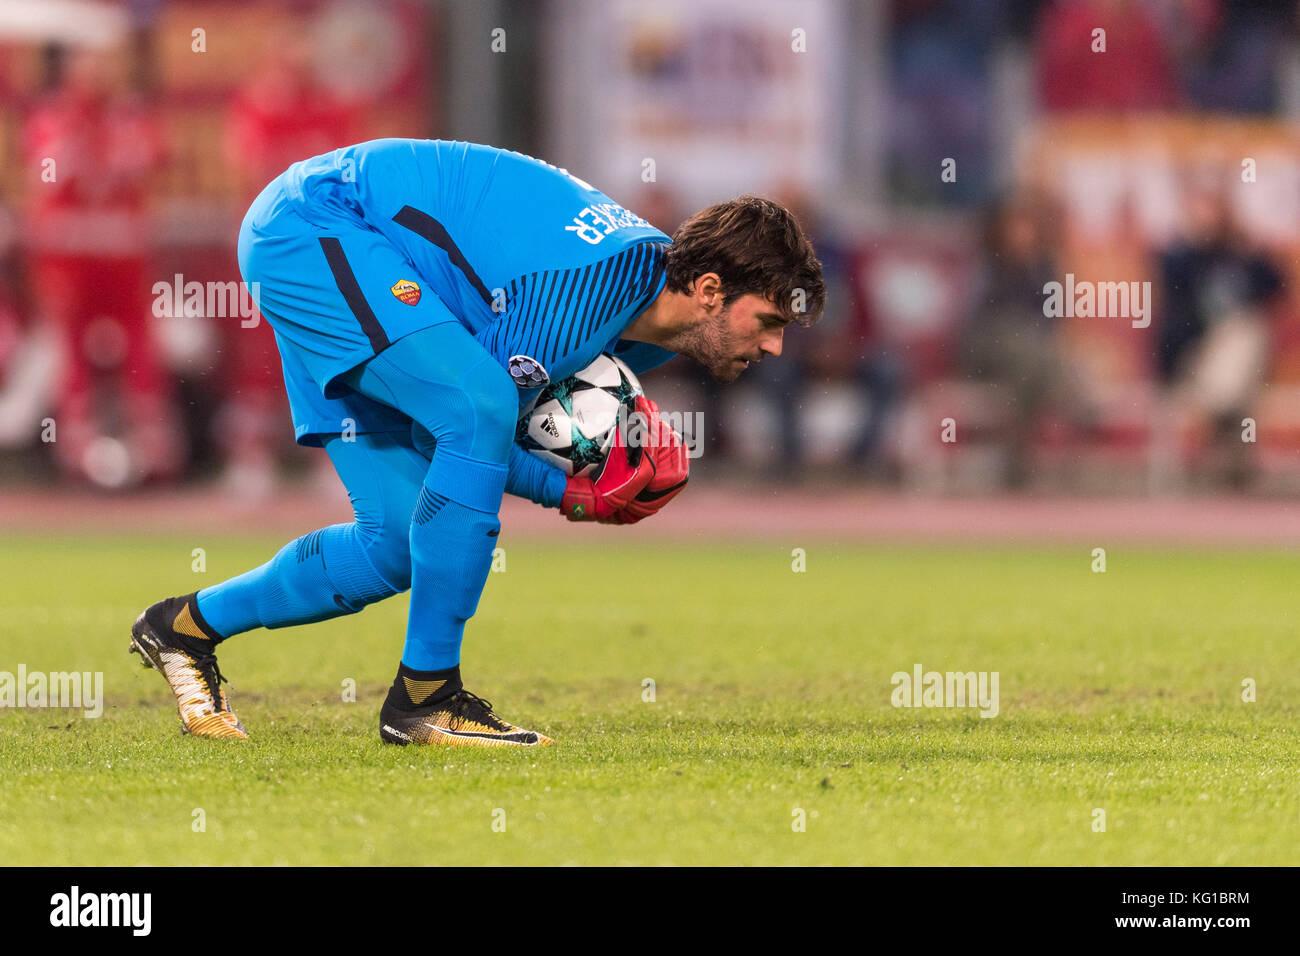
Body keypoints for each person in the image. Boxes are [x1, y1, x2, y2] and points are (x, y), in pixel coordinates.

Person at [129, 139, 825, 747]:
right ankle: (426, 700)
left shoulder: (635, 328)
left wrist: (584, 489)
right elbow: (472, 429)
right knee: (476, 406)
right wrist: (569, 491)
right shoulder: (583, 294)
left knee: (395, 542)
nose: (774, 344)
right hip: (318, 226)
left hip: (366, 259)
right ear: (708, 290)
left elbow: (469, 438)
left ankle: (183, 627)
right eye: (766, 319)